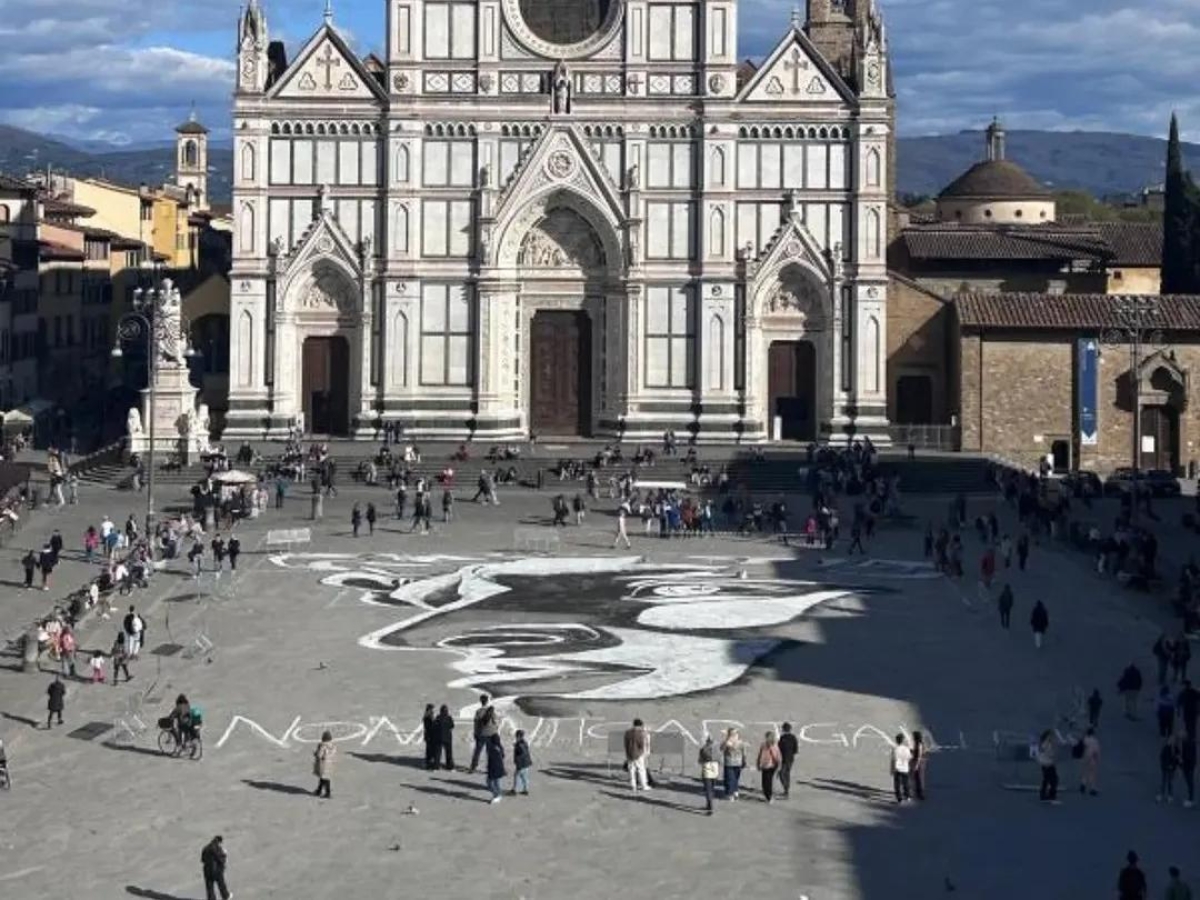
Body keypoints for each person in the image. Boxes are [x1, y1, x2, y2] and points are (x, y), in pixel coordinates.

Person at [469, 695, 495, 773]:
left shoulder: (478, 711)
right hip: (490, 734)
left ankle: (473, 767)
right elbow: (495, 722)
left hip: (480, 734)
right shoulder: (491, 711)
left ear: (481, 701)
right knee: (489, 752)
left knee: (477, 751)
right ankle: (490, 768)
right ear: (487, 701)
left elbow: (476, 723)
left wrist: (476, 733)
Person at [624, 718, 651, 792]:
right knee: (641, 770)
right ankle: (644, 785)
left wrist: (627, 753)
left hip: (629, 754)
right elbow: (641, 744)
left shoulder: (627, 732)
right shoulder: (640, 733)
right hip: (638, 754)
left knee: (631, 770)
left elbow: (625, 744)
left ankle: (633, 786)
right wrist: (642, 752)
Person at [201, 835, 230, 900]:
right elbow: (220, 860)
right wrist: (224, 855)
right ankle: (226, 896)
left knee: (209, 887)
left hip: (207, 870)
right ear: (219, 842)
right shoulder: (218, 848)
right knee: (221, 884)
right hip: (216, 870)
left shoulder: (205, 848)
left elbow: (202, 860)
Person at [756, 731, 782, 803]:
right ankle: (768, 796)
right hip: (771, 765)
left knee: (766, 782)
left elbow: (760, 755)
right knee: (768, 781)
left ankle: (768, 796)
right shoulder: (774, 745)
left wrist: (758, 764)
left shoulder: (766, 745)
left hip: (767, 765)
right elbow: (778, 756)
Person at [720, 727, 746, 800]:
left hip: (729, 763)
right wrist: (744, 761)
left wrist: (726, 741)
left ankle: (730, 794)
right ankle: (735, 791)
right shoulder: (740, 742)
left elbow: (721, 749)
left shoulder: (728, 742)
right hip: (738, 762)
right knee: (735, 778)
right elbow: (744, 753)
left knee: (729, 778)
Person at [1036, 729, 1060, 804]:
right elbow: (1050, 753)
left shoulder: (1045, 743)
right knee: (1053, 779)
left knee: (1047, 779)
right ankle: (1050, 794)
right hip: (1047, 763)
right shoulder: (1046, 743)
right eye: (1051, 736)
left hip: (1046, 763)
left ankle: (1045, 794)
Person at [698, 736, 719, 815]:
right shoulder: (716, 750)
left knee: (708, 789)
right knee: (712, 788)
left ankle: (709, 805)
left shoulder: (703, 749)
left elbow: (700, 761)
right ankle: (709, 803)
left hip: (707, 769)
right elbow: (720, 759)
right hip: (715, 770)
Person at [1159, 732, 1182, 804]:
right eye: (1171, 739)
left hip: (1172, 768)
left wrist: (1179, 766)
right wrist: (1166, 765)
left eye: (1173, 740)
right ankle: (1162, 794)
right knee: (1164, 781)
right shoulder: (1166, 748)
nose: (1172, 741)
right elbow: (1162, 757)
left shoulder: (1176, 749)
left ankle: (1170, 796)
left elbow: (1178, 759)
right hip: (1165, 768)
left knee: (1170, 782)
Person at [777, 722, 798, 799]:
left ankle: (786, 789)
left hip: (784, 759)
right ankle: (786, 789)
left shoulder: (782, 738)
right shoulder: (793, 737)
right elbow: (795, 749)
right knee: (786, 774)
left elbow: (779, 749)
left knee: (782, 774)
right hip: (790, 759)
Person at [890, 732, 912, 803]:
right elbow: (909, 757)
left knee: (897, 784)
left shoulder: (895, 749)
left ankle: (899, 798)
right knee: (906, 783)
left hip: (898, 768)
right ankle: (907, 796)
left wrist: (892, 769)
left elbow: (894, 760)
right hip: (905, 768)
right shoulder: (906, 748)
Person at [313, 729, 335, 798]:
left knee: (325, 779)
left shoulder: (322, 745)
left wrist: (315, 753)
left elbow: (319, 755)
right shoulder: (333, 746)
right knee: (324, 778)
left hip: (323, 764)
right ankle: (319, 791)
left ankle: (327, 793)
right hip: (330, 764)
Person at [1079, 727, 1101, 796]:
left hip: (1085, 756)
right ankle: (1092, 788)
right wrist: (1098, 759)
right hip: (1092, 758)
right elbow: (1096, 751)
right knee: (1092, 773)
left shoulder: (1085, 739)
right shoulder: (1095, 741)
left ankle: (1083, 784)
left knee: (1084, 771)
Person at [485, 733, 506, 804]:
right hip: (500, 768)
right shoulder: (500, 747)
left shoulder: (492, 749)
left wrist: (489, 770)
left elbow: (491, 761)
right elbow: (503, 756)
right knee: (496, 783)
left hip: (494, 769)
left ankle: (497, 795)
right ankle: (498, 794)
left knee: (491, 783)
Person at [511, 729, 532, 795]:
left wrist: (518, 765)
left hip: (521, 765)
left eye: (516, 736)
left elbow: (520, 756)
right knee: (524, 777)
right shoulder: (524, 743)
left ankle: (514, 790)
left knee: (516, 777)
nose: (516, 737)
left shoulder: (519, 745)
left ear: (519, 736)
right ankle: (525, 790)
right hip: (526, 764)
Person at [435, 704, 455, 770]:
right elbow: (452, 726)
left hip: (439, 737)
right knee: (449, 753)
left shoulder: (438, 717)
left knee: (438, 753)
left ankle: (436, 766)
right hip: (448, 737)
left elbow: (435, 726)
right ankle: (449, 766)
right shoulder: (449, 717)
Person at [422, 704, 440, 769]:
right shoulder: (428, 717)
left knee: (430, 750)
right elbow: (430, 727)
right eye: (432, 709)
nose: (433, 711)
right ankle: (429, 764)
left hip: (429, 735)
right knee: (430, 751)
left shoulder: (427, 716)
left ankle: (429, 763)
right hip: (430, 736)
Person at [911, 730, 928, 800]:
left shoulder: (919, 744)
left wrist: (916, 765)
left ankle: (921, 794)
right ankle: (918, 792)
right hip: (920, 762)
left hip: (919, 763)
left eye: (913, 736)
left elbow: (919, 756)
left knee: (919, 778)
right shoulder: (919, 743)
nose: (912, 738)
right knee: (917, 778)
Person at [1182, 735, 1197, 808]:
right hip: (1189, 767)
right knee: (1190, 783)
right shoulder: (1190, 744)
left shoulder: (1187, 745)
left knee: (1190, 783)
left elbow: (1188, 756)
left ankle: (1191, 800)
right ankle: (1190, 799)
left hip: (1188, 767)